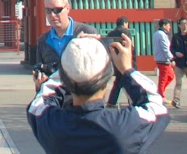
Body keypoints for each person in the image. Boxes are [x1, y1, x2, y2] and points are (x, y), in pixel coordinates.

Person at [26, 31, 169, 154]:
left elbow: (42, 99)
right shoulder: (124, 126)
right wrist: (127, 70)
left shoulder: (52, 123)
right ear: (106, 81)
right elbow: (156, 104)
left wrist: (74, 59)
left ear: (66, 80)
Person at [33, 0, 96, 91]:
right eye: (48, 10)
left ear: (67, 8)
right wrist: (39, 83)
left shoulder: (87, 33)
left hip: (83, 98)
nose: (52, 15)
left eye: (57, 10)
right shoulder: (43, 40)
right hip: (54, 98)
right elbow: (40, 69)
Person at [168, 20, 187, 108]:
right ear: (179, 25)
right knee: (178, 83)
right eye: (182, 24)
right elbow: (171, 48)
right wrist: (176, 53)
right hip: (179, 63)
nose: (184, 26)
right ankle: (176, 100)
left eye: (186, 24)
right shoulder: (176, 37)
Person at [149, 21, 173, 105]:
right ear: (164, 25)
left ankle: (160, 92)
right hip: (163, 59)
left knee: (170, 76)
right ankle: (161, 96)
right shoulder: (161, 34)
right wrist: (171, 58)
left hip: (161, 58)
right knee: (163, 79)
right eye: (168, 25)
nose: (169, 27)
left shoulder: (158, 33)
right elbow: (165, 47)